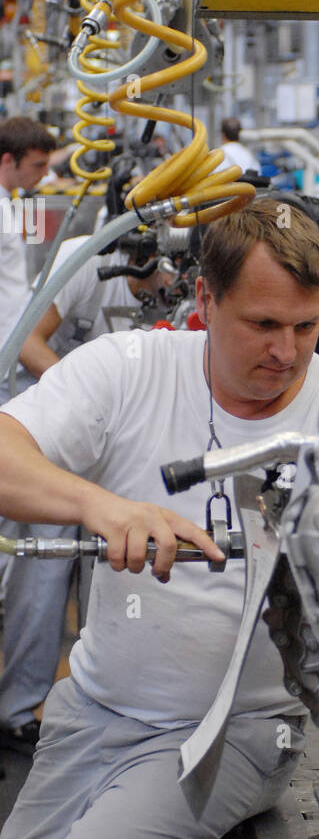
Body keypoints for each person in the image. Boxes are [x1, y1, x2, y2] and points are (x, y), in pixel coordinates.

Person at [0, 195, 319, 839]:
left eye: (305, 326)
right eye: (262, 324)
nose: (286, 352)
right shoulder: (131, 370)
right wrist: (100, 505)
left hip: (235, 731)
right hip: (95, 708)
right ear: (205, 303)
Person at [0, 236, 175, 754]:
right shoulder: (88, 257)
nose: (159, 286)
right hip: (71, 421)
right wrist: (96, 397)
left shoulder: (191, 272)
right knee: (45, 567)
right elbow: (27, 341)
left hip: (137, 429)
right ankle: (15, 710)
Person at [0, 116, 54, 398]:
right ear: (8, 160)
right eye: (38, 165)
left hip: (13, 356)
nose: (45, 173)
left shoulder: (8, 203)